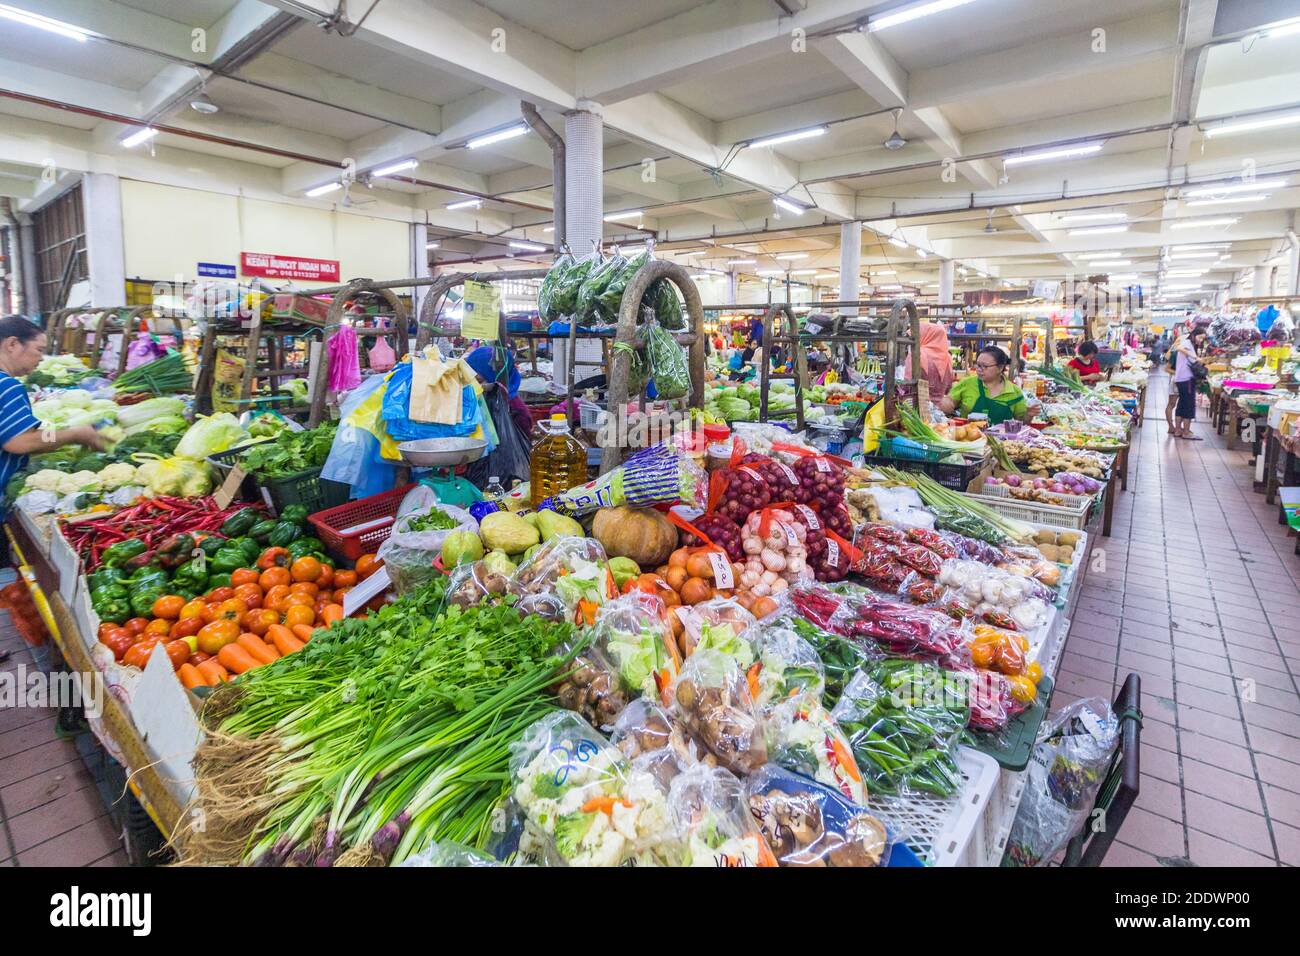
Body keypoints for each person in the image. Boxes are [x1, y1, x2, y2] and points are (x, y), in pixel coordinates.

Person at [0, 316, 108, 517]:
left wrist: (57, 434)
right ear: (12, 344)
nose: (42, 358)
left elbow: (18, 434)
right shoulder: (7, 386)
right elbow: (19, 442)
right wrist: (74, 434)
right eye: (39, 350)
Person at [937, 345, 1031, 425]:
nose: (979, 369)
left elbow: (1021, 421)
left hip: (1001, 443)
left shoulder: (1014, 392)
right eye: (978, 365)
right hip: (969, 440)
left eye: (985, 366)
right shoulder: (967, 383)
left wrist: (1029, 414)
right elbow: (950, 401)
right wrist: (941, 402)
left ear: (1000, 368)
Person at [464, 343, 532, 437]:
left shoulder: (516, 411)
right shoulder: (474, 401)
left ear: (494, 376)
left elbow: (522, 445)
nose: (474, 384)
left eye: (479, 380)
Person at [1171, 326, 1208, 440]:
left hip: (1182, 379)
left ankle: (1178, 430)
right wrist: (1195, 357)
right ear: (1194, 334)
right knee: (1189, 406)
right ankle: (1186, 432)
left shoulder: (1190, 344)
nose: (1200, 340)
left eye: (1202, 339)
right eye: (1200, 337)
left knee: (1182, 405)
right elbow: (1179, 348)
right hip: (1186, 379)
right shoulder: (1186, 342)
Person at [910, 322, 955, 401]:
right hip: (942, 407)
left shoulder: (918, 354)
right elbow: (949, 386)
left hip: (920, 406)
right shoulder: (948, 358)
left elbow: (907, 385)